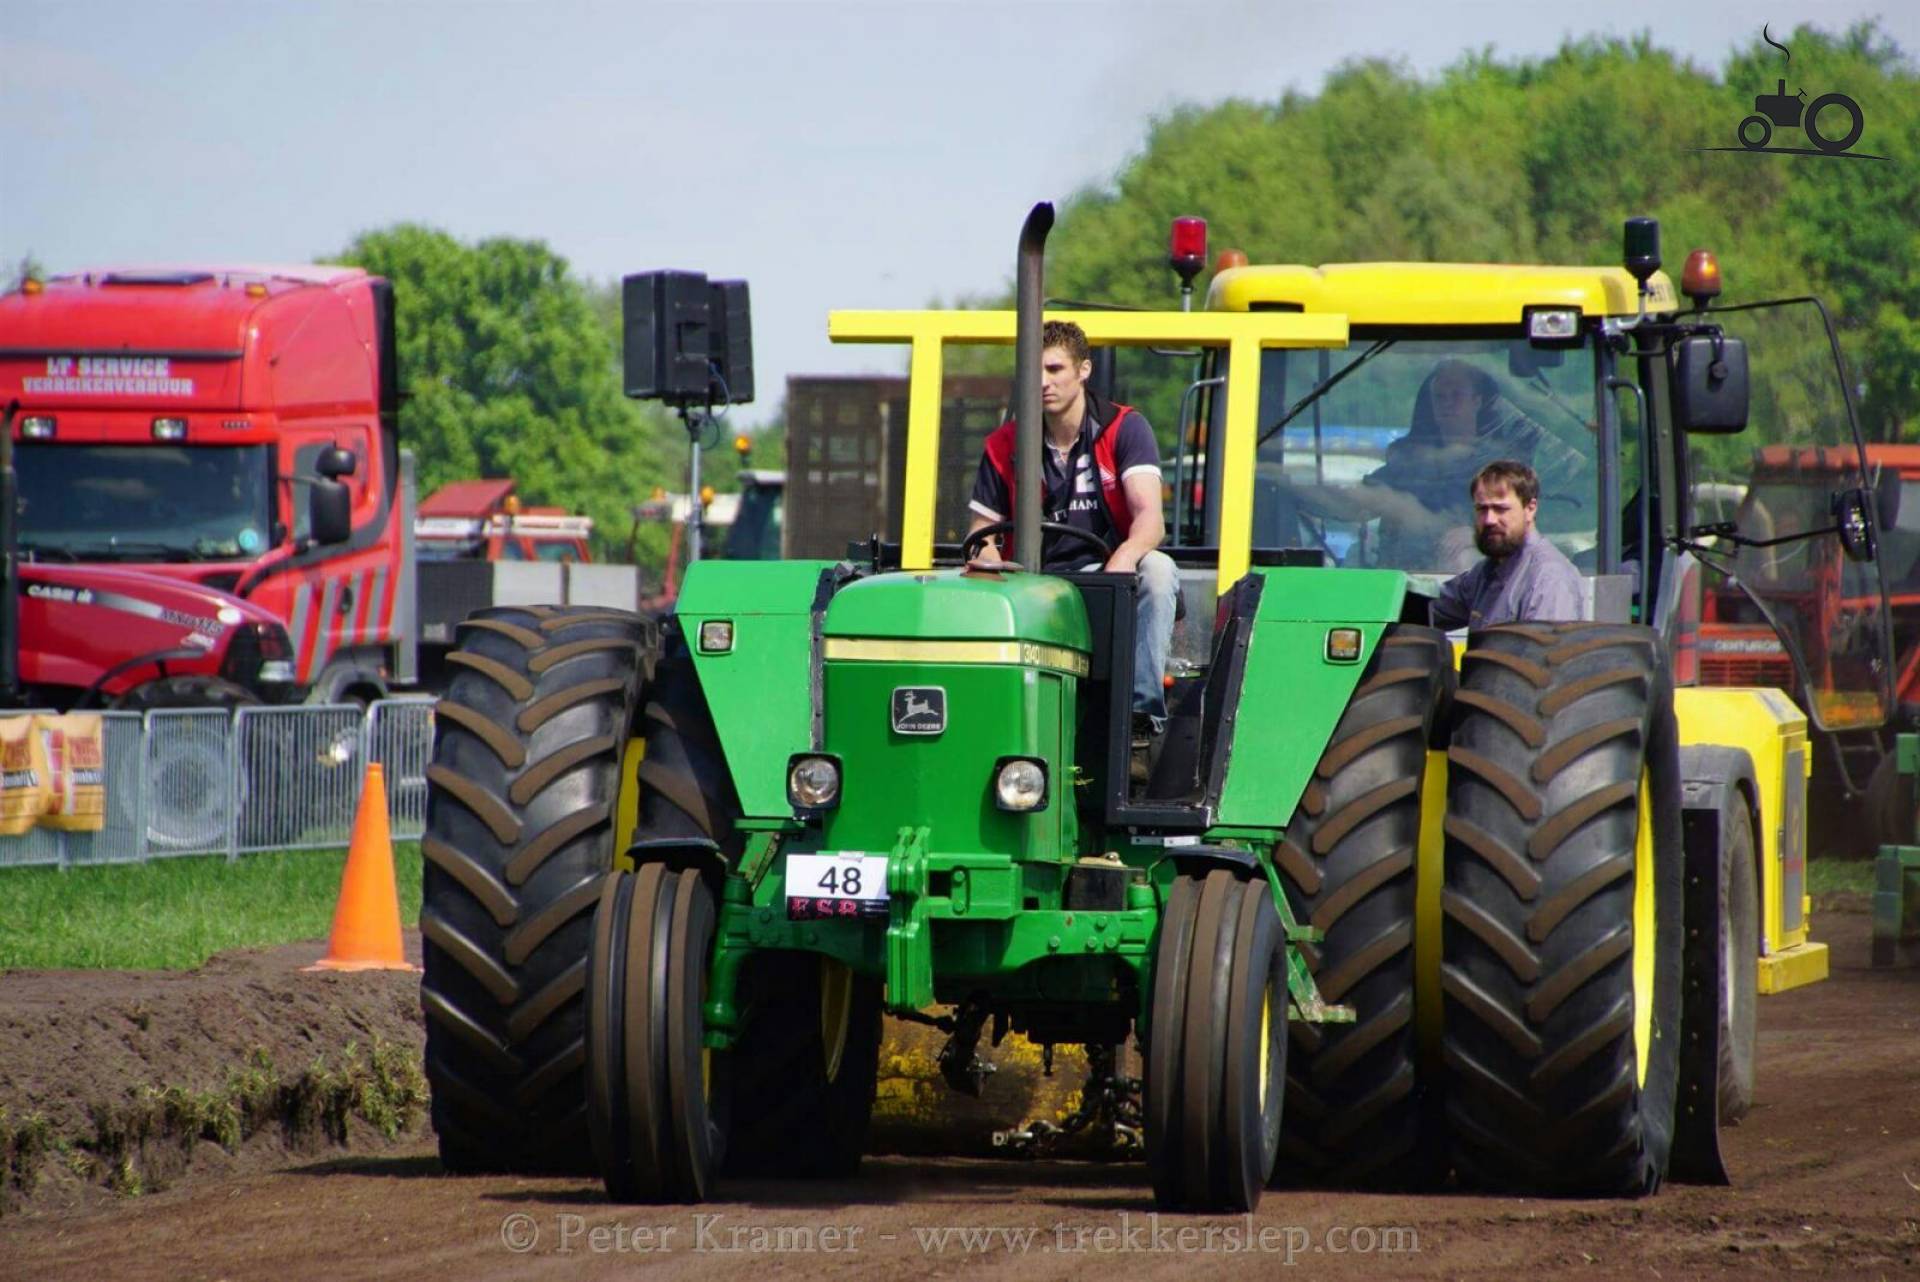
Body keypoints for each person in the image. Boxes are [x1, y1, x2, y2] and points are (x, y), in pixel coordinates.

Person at [968, 319, 1177, 735]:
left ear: (1084, 370)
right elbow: (981, 532)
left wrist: (1122, 560)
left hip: (1105, 578)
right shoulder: (1004, 444)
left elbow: (1150, 519)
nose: (1043, 382)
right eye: (1034, 371)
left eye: (1054, 369)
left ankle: (1139, 719)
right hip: (1032, 584)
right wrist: (988, 556)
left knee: (1156, 569)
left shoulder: (1123, 429)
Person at [1365, 358, 1583, 570]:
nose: (1447, 404)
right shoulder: (1409, 460)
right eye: (1440, 397)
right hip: (1398, 579)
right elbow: (1363, 501)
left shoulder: (1502, 462)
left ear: (1477, 401)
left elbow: (1528, 519)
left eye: (1456, 396)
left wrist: (1475, 535)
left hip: (1474, 581)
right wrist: (1333, 495)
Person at [1431, 459, 1585, 630]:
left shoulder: (1548, 578)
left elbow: (1544, 653)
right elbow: (1430, 608)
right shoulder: (1485, 573)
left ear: (1530, 508)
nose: (1489, 520)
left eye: (1501, 509)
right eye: (1482, 509)